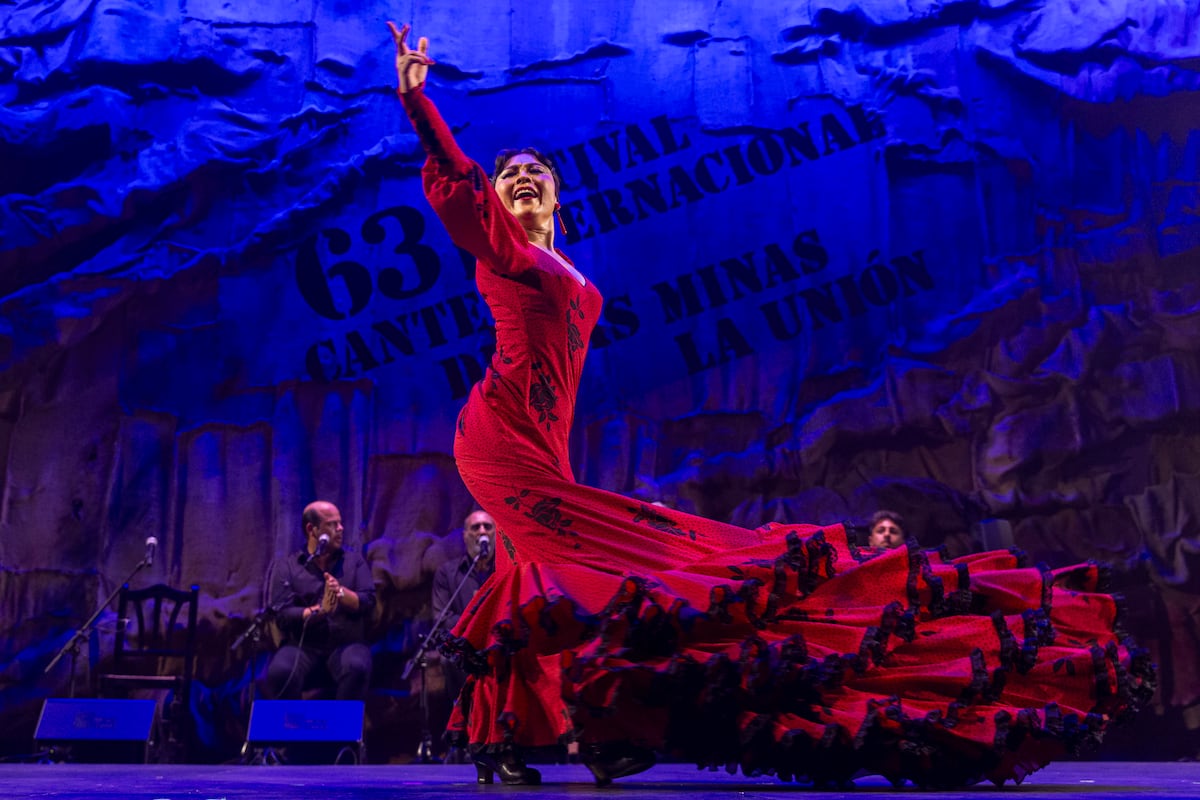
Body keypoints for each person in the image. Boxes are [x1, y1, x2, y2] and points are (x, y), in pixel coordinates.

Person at [387, 23, 1154, 789]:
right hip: (498, 436)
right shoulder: (504, 251)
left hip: (545, 442)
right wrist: (420, 104)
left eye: (536, 172)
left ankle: (527, 736)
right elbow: (459, 182)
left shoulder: (563, 264)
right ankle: (589, 727)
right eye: (509, 173)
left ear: (558, 192)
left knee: (542, 572)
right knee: (606, 563)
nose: (521, 178)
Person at [264, 501, 377, 702]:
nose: (340, 529)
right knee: (280, 671)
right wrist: (319, 611)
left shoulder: (353, 561)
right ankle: (293, 732)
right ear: (311, 529)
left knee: (357, 667)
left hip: (346, 644)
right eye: (332, 525)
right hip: (302, 647)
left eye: (340, 523)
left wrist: (340, 593)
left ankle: (341, 733)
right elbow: (282, 614)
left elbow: (369, 600)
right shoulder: (288, 567)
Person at [430, 509, 496, 756]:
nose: (482, 532)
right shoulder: (448, 573)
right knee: (449, 661)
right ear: (465, 535)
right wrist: (476, 622)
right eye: (475, 528)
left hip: (497, 642)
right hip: (464, 644)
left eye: (488, 527)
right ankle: (466, 731)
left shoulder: (504, 569)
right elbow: (442, 617)